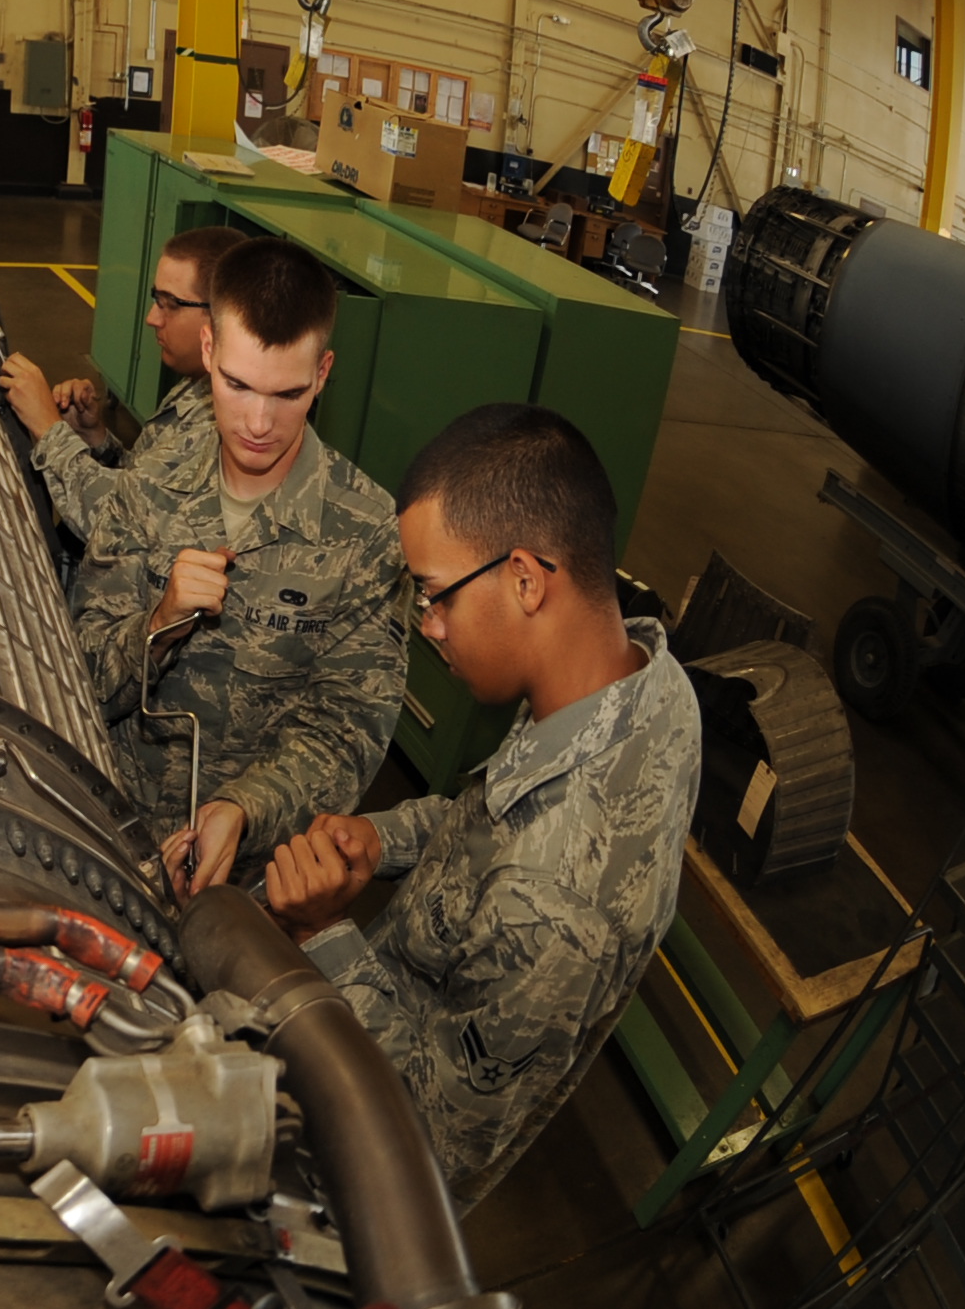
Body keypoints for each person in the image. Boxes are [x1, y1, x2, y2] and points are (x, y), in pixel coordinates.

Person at [260, 403, 698, 1211]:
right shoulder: (633, 675)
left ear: (527, 579)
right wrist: (378, 840)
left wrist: (322, 935)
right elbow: (486, 815)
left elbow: (432, 1137)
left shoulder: (558, 905)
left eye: (435, 596)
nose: (427, 627)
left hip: (360, 1171)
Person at [69, 237, 406, 896]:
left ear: (324, 373)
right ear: (208, 354)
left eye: (287, 393)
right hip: (108, 833)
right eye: (237, 384)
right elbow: (74, 671)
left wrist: (245, 807)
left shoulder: (365, 534)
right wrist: (157, 625)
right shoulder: (150, 483)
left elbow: (346, 731)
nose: (258, 421)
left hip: (244, 882)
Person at [0, 224, 247, 541]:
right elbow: (145, 487)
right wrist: (95, 437)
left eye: (170, 304)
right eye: (157, 299)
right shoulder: (197, 385)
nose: (153, 318)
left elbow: (118, 525)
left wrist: (47, 427)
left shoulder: (224, 424)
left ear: (223, 314)